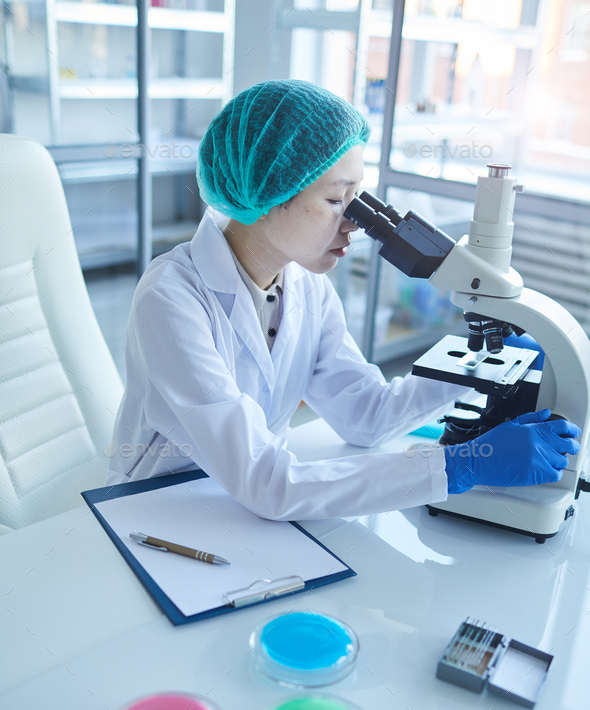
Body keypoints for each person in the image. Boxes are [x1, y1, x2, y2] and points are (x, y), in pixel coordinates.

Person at [106, 80, 580, 518]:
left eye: (360, 198)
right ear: (269, 196)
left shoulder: (307, 285)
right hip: (159, 511)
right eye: (337, 201)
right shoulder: (171, 299)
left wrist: (477, 369)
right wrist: (458, 467)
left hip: (248, 510)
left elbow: (365, 416)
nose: (355, 222)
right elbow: (267, 482)